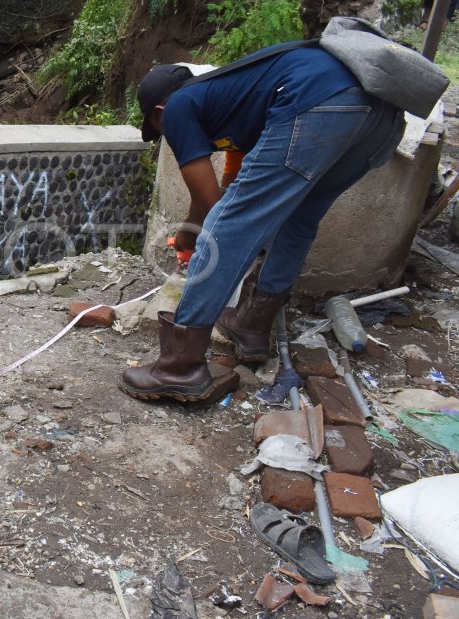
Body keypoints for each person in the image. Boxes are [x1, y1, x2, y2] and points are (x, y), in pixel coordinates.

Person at [120, 45, 405, 403]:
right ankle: (252, 326)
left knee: (230, 225)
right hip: (382, 117)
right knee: (301, 218)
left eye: (157, 128)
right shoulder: (240, 103)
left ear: (159, 111)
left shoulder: (178, 106)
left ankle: (180, 366)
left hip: (320, 100)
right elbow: (232, 185)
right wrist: (205, 226)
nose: (166, 135)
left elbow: (213, 205)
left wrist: (189, 237)